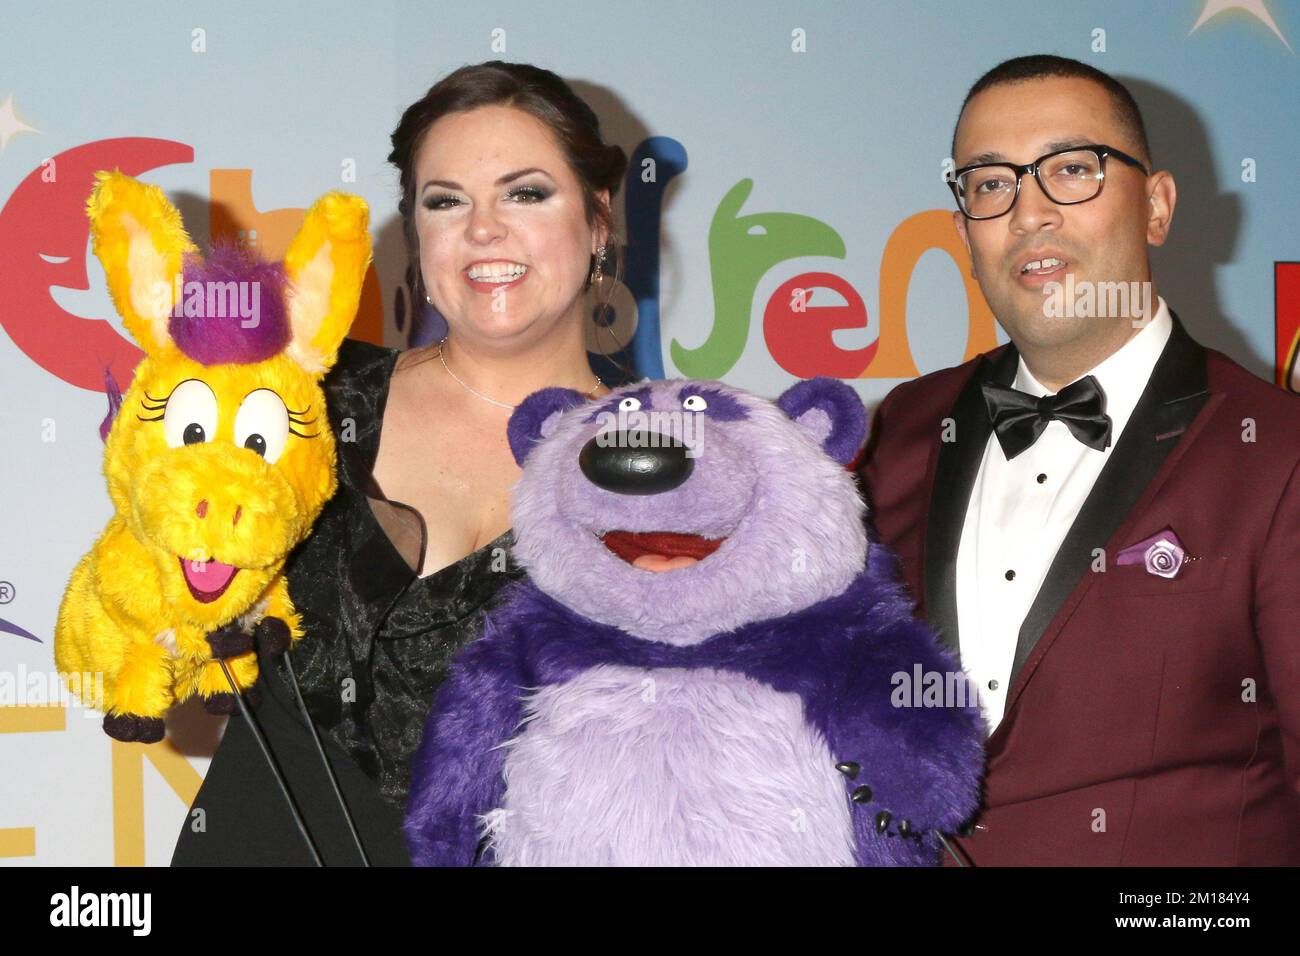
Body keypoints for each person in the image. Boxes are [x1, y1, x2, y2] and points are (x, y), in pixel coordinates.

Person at [172, 61, 629, 865]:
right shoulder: (299, 403)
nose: (483, 230)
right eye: (446, 200)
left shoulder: (673, 468)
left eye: (526, 193)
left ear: (598, 220)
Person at [858, 55, 1300, 865]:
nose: (1031, 214)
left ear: (1157, 206)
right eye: (991, 184)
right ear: (963, 231)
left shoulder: (1278, 453)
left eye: (1072, 171)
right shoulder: (905, 430)